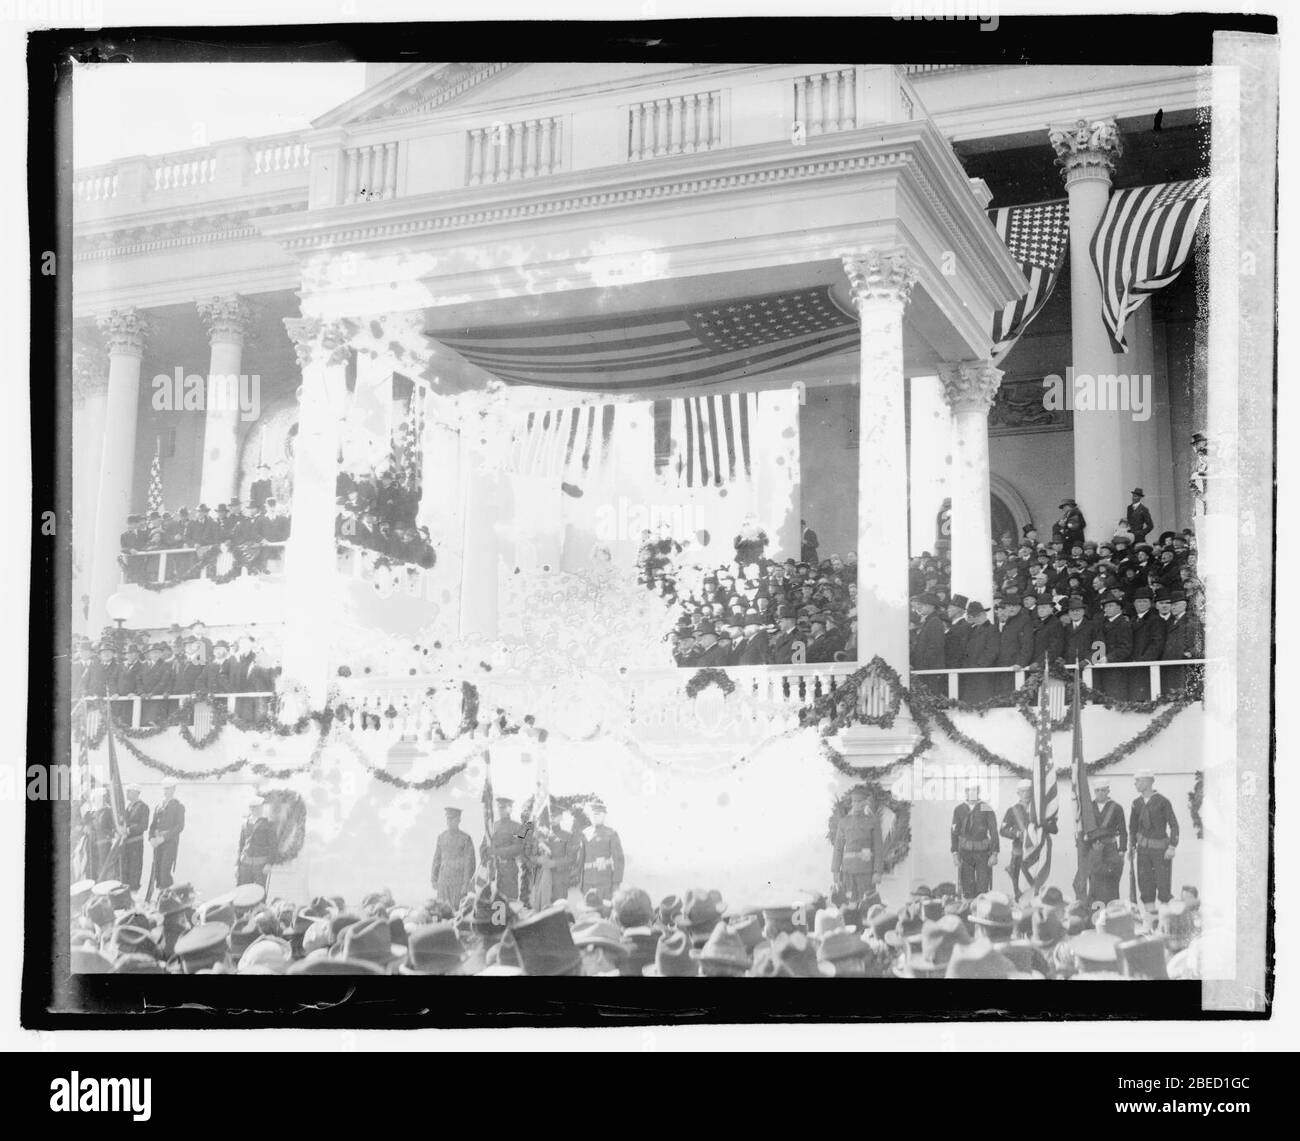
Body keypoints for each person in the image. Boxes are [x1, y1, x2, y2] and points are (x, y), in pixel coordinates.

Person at [1129, 771, 1179, 916]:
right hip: (1143, 851)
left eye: (1138, 781)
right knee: (1145, 884)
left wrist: (1172, 846)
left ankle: (1163, 919)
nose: (1135, 784)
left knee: (1163, 884)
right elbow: (1132, 827)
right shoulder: (1136, 803)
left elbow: (1174, 825)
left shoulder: (1162, 801)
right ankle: (1150, 920)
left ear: (1148, 781)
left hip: (1160, 851)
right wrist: (1131, 846)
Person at [999, 779, 1055, 900]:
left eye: (1028, 791)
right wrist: (1017, 833)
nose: (1026, 794)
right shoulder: (1012, 810)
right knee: (1019, 887)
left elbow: (1053, 828)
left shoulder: (1040, 810)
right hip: (1019, 851)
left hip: (1037, 852)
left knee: (1037, 885)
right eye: (1023, 791)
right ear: (1018, 793)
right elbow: (1003, 830)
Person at [831, 786, 883, 903]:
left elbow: (878, 848)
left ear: (865, 803)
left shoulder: (873, 822)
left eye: (860, 802)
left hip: (866, 871)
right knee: (849, 902)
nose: (857, 804)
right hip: (848, 871)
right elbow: (838, 848)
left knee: (866, 902)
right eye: (854, 801)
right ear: (851, 803)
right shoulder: (844, 822)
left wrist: (877, 872)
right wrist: (835, 871)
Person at [1082, 778, 1127, 904]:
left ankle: (1111, 913)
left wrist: (1122, 850)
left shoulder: (1117, 807)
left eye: (1103, 790)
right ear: (1094, 792)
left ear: (1108, 791)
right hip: (1094, 848)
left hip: (1110, 849)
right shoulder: (1089, 808)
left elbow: (1123, 830)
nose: (1100, 793)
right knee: (1094, 882)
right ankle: (1095, 916)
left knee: (1110, 882)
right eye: (1097, 790)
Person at [951, 783, 999, 898]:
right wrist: (954, 853)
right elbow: (954, 832)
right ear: (965, 792)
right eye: (968, 790)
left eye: (974, 790)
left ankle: (982, 912)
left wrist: (994, 853)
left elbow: (993, 831)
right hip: (965, 853)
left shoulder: (985, 807)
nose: (971, 793)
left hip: (983, 853)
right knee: (967, 887)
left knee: (983, 887)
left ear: (978, 792)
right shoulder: (959, 809)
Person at [431, 806, 476, 908]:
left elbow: (470, 864)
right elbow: (437, 859)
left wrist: (466, 885)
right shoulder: (442, 837)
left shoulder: (465, 838)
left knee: (457, 910)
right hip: (443, 881)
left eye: (452, 819)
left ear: (459, 820)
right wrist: (433, 879)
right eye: (448, 819)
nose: (449, 821)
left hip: (458, 882)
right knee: (442, 909)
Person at [580, 801, 624, 904]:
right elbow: (581, 859)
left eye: (599, 814)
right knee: (588, 908)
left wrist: (616, 882)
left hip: (604, 880)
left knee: (604, 908)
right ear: (589, 816)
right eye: (593, 814)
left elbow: (619, 859)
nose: (595, 817)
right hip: (588, 880)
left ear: (604, 816)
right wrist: (580, 881)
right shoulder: (585, 833)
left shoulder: (611, 833)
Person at [1129, 587, 1166, 700]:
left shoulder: (1155, 620)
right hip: (1132, 665)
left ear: (1150, 603)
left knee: (1147, 695)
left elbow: (1157, 643)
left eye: (1144, 601)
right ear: (1134, 604)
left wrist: (1144, 660)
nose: (1141, 604)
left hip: (1146, 665)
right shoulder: (1132, 620)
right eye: (1138, 601)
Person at [1161, 591, 1202, 693]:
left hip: (1184, 666)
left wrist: (1189, 653)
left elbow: (1199, 645)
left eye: (1175, 604)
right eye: (1172, 605)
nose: (1173, 607)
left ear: (1184, 605)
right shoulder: (1170, 622)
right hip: (1170, 665)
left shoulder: (1191, 621)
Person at [148, 781, 185, 892]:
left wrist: (163, 838)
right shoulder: (159, 806)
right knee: (158, 871)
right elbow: (153, 825)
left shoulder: (178, 806)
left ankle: (168, 898)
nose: (165, 791)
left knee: (165, 871)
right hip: (158, 843)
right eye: (164, 789)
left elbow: (179, 826)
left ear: (174, 789)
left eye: (168, 788)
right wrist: (151, 838)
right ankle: (162, 897)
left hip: (169, 843)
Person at [958, 601, 999, 702]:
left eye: (974, 616)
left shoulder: (991, 629)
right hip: (970, 673)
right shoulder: (972, 629)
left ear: (982, 615)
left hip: (982, 674)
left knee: (982, 701)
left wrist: (978, 667)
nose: (972, 618)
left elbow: (991, 651)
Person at [1095, 595, 1133, 701]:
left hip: (1117, 669)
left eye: (1110, 606)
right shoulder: (1103, 623)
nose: (1107, 609)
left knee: (1116, 699)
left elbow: (1125, 648)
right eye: (1105, 606)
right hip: (1104, 667)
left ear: (1119, 608)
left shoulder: (1123, 623)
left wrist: (1108, 658)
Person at [909, 593, 946, 696]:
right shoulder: (929, 621)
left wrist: (920, 664)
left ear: (931, 606)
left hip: (930, 670)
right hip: (925, 669)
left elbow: (935, 647)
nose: (919, 607)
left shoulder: (935, 622)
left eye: (922, 604)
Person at [236, 795, 277, 888]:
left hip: (261, 864)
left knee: (259, 892)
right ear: (250, 808)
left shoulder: (268, 823)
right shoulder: (245, 823)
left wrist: (269, 863)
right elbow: (241, 844)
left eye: (258, 807)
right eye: (253, 807)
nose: (256, 809)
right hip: (245, 864)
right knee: (243, 891)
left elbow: (273, 845)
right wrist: (237, 864)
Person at [490, 797, 524, 902]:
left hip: (509, 869)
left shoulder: (517, 827)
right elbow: (485, 845)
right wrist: (485, 851)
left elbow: (518, 848)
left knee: (509, 902)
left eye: (504, 808)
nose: (501, 810)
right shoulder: (493, 826)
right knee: (494, 903)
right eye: (499, 808)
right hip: (495, 869)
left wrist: (497, 852)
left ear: (510, 809)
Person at [121, 785, 151, 893]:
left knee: (134, 871)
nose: (127, 793)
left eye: (129, 791)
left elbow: (143, 825)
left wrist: (129, 830)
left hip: (135, 845)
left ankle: (134, 895)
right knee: (125, 872)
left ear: (136, 793)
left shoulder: (143, 807)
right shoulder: (128, 807)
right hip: (126, 845)